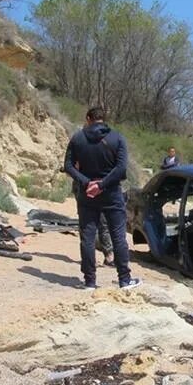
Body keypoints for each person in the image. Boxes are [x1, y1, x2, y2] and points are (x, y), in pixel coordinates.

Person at [64, 106, 139, 290]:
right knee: (118, 236)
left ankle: (90, 281)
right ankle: (124, 280)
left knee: (88, 237)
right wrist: (102, 184)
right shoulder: (117, 138)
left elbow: (68, 166)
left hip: (87, 193)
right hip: (111, 192)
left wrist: (87, 183)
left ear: (88, 118)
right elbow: (121, 169)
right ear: (104, 119)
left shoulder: (77, 138)